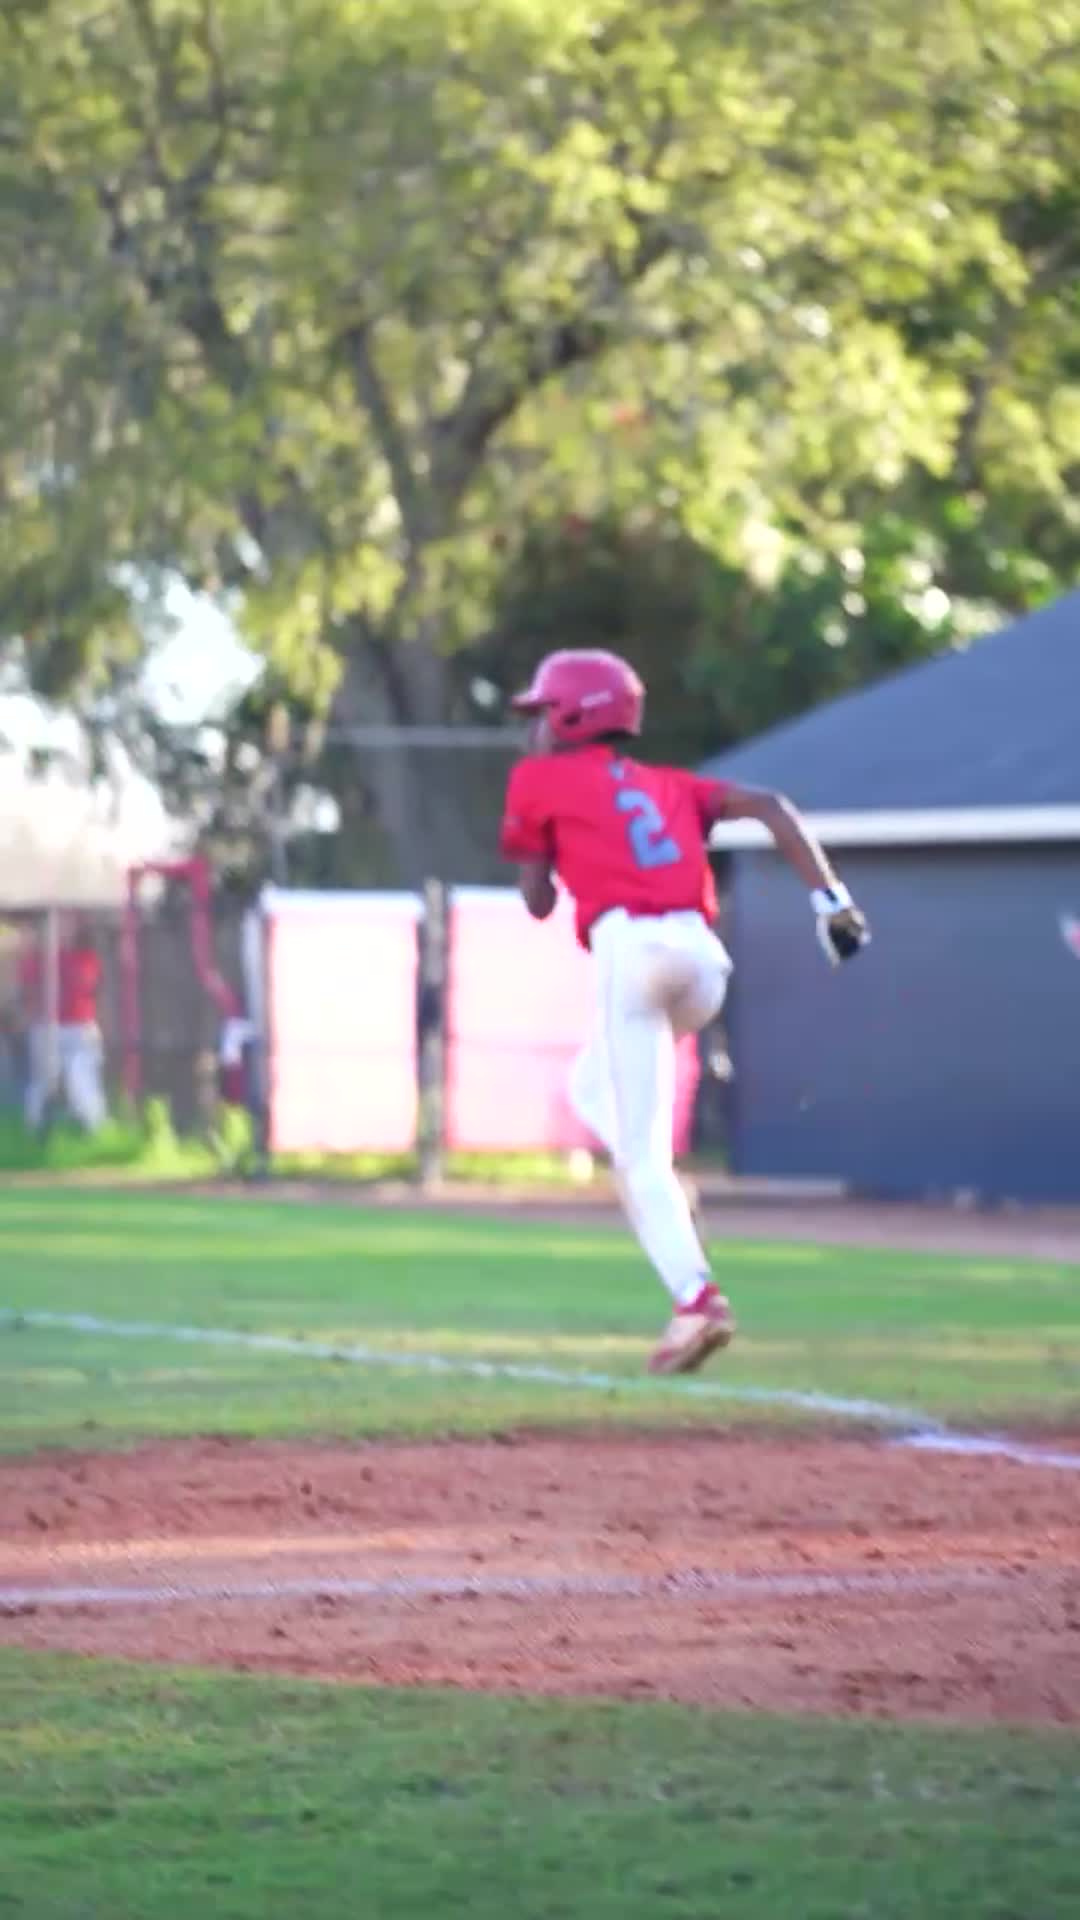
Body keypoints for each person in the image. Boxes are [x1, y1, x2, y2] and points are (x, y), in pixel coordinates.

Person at [499, 649, 869, 1377]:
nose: (537, 726)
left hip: (631, 955)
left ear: (574, 713)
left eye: (545, 711)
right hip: (703, 963)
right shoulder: (667, 784)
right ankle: (670, 1200)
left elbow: (539, 901)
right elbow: (771, 806)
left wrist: (538, 838)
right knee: (589, 1089)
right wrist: (833, 904)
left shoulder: (538, 778)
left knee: (637, 1157)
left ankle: (696, 1300)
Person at [18, 914, 108, 1134]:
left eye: (69, 926)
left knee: (82, 1074)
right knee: (42, 1078)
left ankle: (93, 1125)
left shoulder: (86, 958)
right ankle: (36, 1127)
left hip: (79, 1026)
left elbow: (89, 987)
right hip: (46, 1026)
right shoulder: (37, 959)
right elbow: (27, 991)